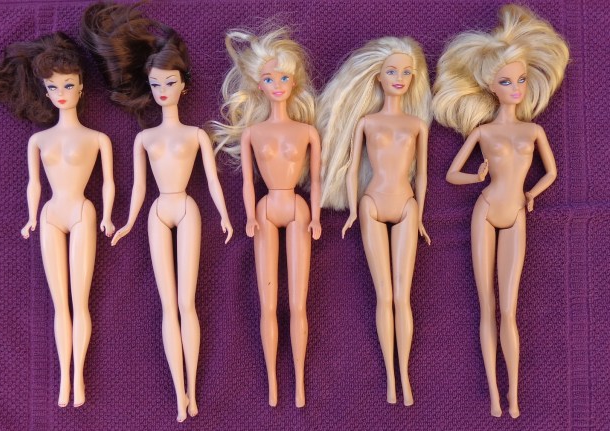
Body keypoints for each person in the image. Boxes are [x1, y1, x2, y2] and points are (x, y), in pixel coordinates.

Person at [81, 3, 233, 422]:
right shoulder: (144, 139)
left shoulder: (196, 134)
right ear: (148, 88)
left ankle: (193, 389)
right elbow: (139, 188)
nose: (163, 90)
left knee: (187, 302)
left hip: (187, 207)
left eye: (170, 82)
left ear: (183, 85)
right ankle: (180, 392)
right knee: (169, 304)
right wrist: (128, 221)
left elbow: (213, 181)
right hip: (157, 211)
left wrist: (224, 214)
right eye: (156, 84)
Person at [432, 4, 568, 418]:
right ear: (490, 87)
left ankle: (514, 395)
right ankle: (494, 394)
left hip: (516, 213)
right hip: (487, 209)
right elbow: (451, 174)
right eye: (507, 81)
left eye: (521, 79)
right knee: (487, 304)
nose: (516, 88)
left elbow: (551, 172)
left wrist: (533, 193)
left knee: (509, 308)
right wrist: (476, 176)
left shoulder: (533, 130)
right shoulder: (483, 132)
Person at [0, 32, 116, 408]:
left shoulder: (98, 138)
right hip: (51, 213)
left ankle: (78, 376)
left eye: (68, 84)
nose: (61, 93)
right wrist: (29, 218)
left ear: (81, 87)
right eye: (53, 87)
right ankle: (63, 381)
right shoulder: (38, 141)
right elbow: (34, 184)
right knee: (59, 303)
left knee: (80, 302)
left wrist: (107, 217)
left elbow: (109, 183)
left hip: (82, 212)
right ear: (45, 91)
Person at [210, 27, 321, 408]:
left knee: (298, 304)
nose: (278, 85)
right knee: (268, 304)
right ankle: (274, 382)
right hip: (265, 208)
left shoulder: (308, 131)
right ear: (259, 85)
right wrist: (248, 216)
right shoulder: (252, 133)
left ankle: (299, 382)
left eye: (284, 78)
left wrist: (317, 216)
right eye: (270, 79)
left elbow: (316, 180)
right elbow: (246, 182)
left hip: (297, 207)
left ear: (295, 82)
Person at [317, 36, 431, 406]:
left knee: (402, 295)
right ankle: (391, 379)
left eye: (406, 72)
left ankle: (406, 376)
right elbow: (352, 169)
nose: (400, 78)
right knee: (385, 295)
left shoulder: (417, 124)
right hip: (371, 204)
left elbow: (422, 175)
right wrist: (352, 209)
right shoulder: (366, 122)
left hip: (406, 205)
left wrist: (420, 214)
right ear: (378, 77)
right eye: (392, 72)